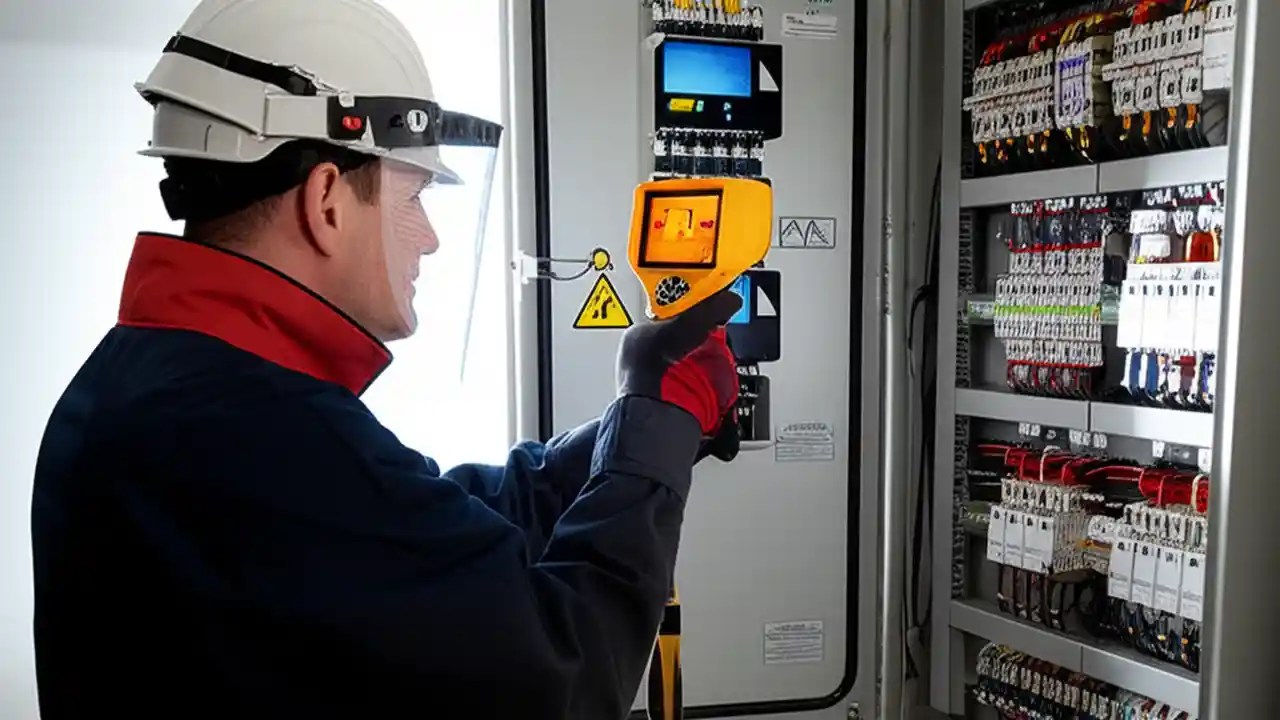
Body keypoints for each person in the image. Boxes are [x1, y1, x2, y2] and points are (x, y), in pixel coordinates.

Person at [29, 1, 742, 718]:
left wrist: (640, 427)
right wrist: (659, 421)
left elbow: (432, 530)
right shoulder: (255, 439)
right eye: (414, 197)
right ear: (328, 200)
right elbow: (566, 676)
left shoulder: (166, 382)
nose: (429, 239)